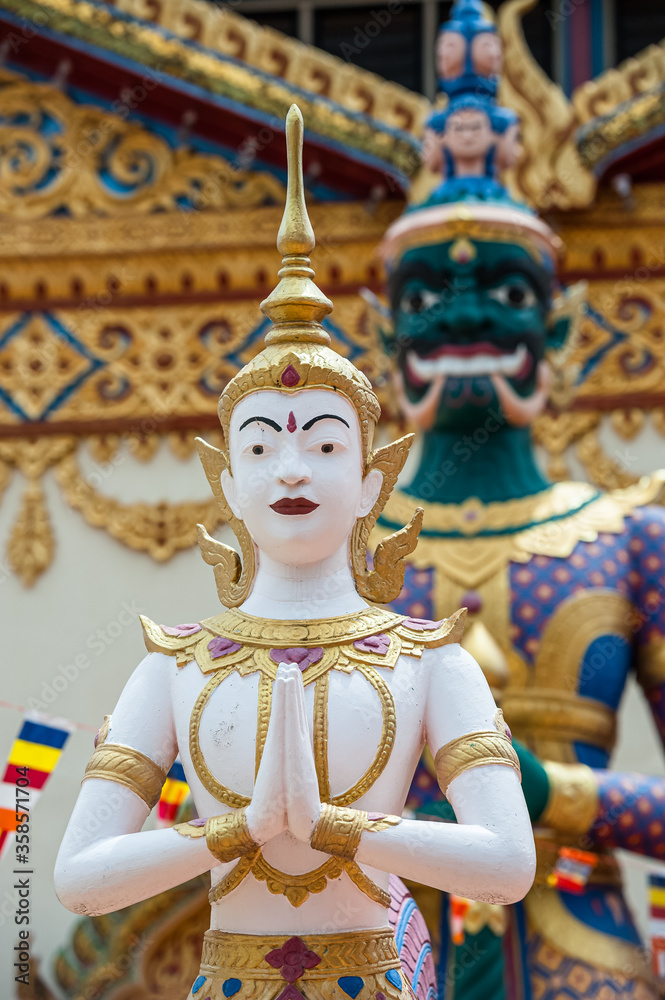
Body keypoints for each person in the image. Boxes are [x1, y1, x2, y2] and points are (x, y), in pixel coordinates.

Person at [54, 105, 534, 1000]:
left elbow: (507, 864)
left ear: (371, 481)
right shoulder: (177, 665)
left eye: (322, 443)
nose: (291, 469)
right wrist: (237, 831)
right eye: (261, 448)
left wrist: (333, 826)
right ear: (227, 484)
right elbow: (79, 878)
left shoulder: (428, 661)